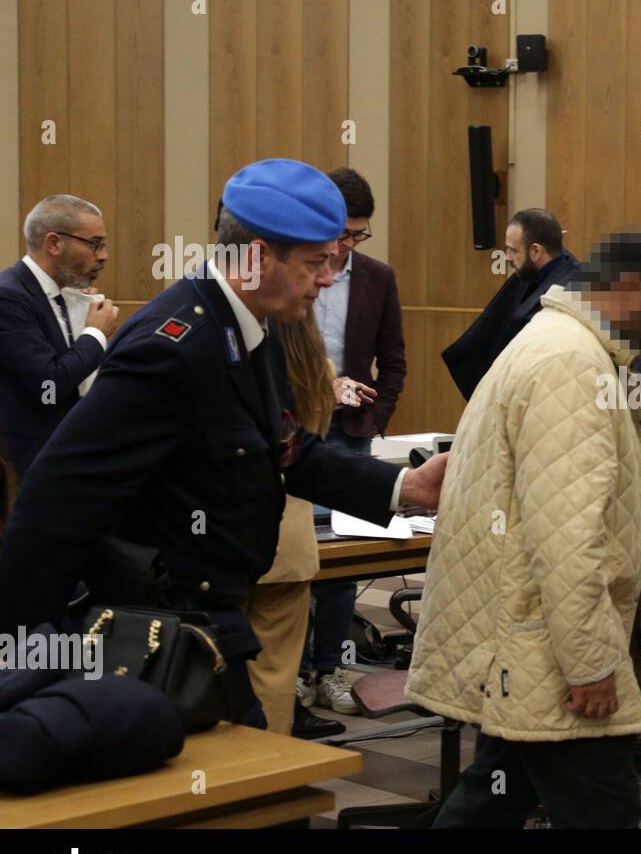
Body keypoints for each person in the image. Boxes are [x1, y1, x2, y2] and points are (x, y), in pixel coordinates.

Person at [0, 159, 448, 728]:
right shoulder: (176, 344)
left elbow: (286, 449)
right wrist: (22, 660)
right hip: (161, 627)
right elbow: (57, 497)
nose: (329, 279)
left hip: (209, 615)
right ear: (258, 258)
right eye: (316, 263)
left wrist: (406, 484)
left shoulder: (245, 326)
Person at [405, 231, 641, 828]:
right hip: (546, 646)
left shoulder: (565, 347)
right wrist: (589, 664)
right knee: (606, 812)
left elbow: (602, 481)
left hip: (525, 635)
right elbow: (565, 534)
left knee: (491, 799)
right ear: (630, 289)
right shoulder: (571, 365)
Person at [302, 166, 407, 716]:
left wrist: (375, 419)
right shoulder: (295, 269)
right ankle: (295, 671)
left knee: (343, 564)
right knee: (297, 557)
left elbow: (394, 360)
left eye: (358, 234)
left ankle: (330, 668)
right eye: (340, 233)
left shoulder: (376, 276)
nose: (346, 245)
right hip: (292, 432)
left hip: (349, 437)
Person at [246, 310, 353, 739]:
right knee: (276, 675)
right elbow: (315, 443)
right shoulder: (316, 367)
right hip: (289, 538)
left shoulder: (233, 355)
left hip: (224, 540)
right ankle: (271, 776)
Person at [0, 195, 119, 478]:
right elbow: (49, 385)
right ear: (54, 243)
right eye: (95, 244)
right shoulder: (9, 297)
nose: (104, 256)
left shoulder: (60, 293)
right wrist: (96, 333)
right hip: (41, 458)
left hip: (77, 444)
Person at [441, 208, 580, 401]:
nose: (506, 257)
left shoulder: (569, 291)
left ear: (536, 251)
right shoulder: (533, 270)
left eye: (513, 250)